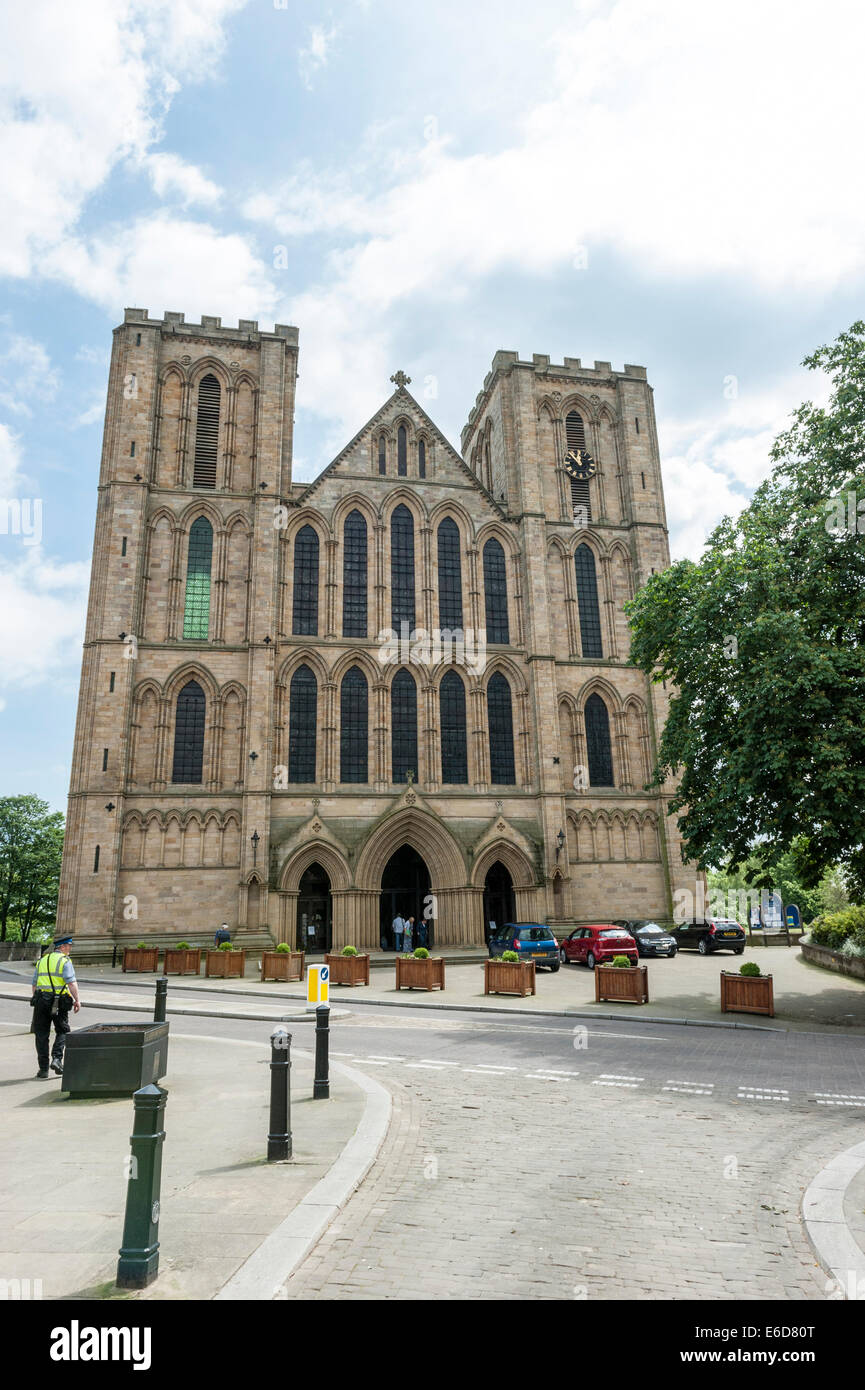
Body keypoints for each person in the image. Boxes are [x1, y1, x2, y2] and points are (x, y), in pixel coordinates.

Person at [31, 936, 80, 1079]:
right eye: (69, 946)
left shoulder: (42, 961)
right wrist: (77, 1000)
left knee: (41, 1034)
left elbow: (34, 984)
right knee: (63, 1030)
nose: (70, 948)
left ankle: (43, 1069)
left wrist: (37, 998)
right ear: (63, 947)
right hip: (58, 1001)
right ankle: (57, 1059)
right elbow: (71, 983)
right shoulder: (65, 961)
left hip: (41, 1000)